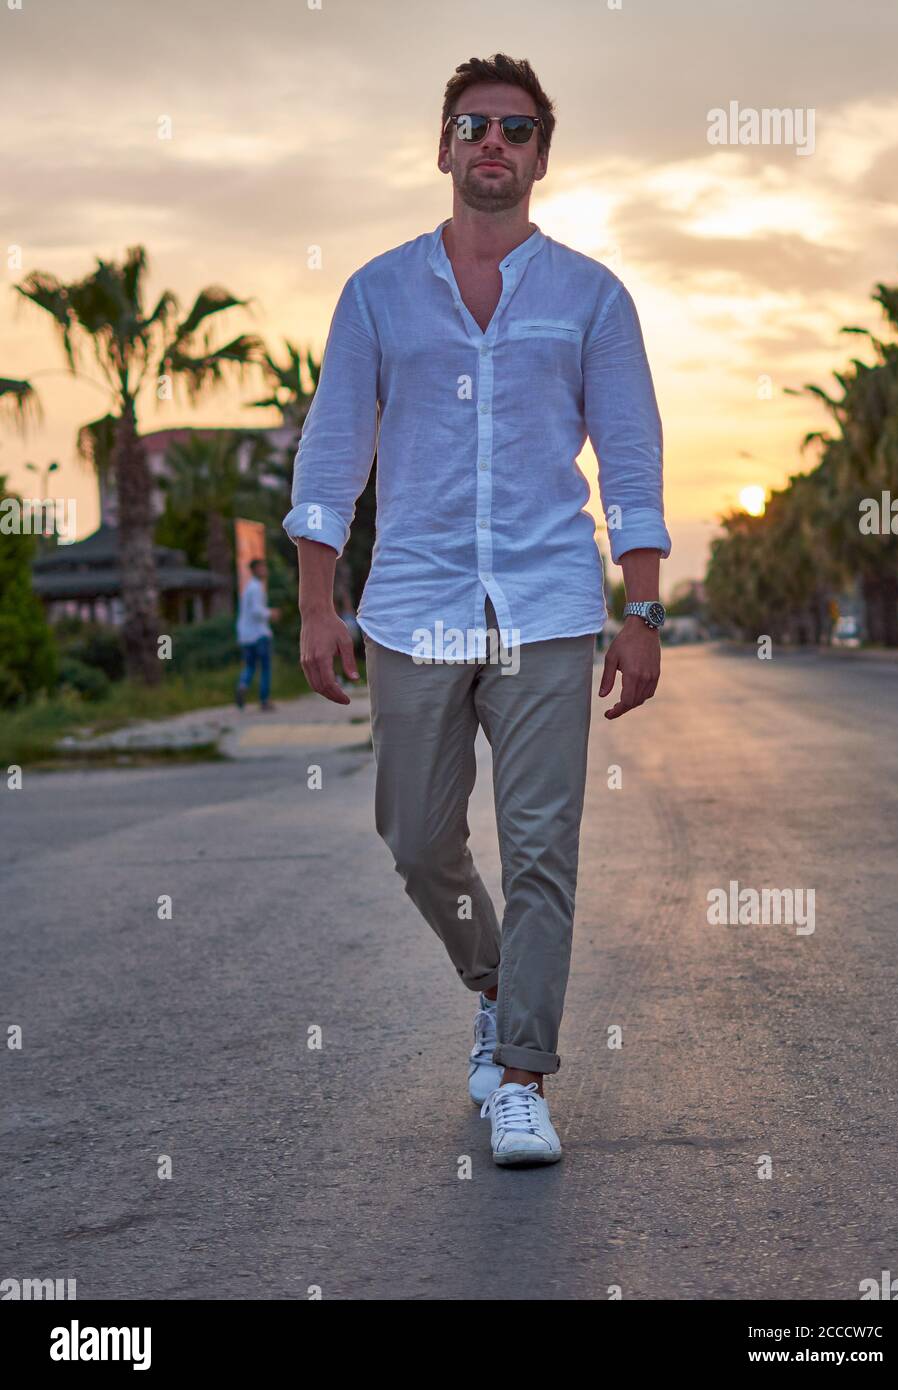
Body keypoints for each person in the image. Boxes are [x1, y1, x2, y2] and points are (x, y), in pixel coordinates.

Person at [282, 53, 671, 1167]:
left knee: (544, 845)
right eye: (472, 125)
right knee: (413, 837)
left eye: (514, 128)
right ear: (443, 147)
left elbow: (634, 461)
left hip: (549, 601)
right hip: (414, 605)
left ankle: (522, 1076)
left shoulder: (593, 297)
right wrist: (321, 602)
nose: (491, 143)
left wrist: (642, 613)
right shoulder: (377, 293)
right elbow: (331, 456)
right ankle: (497, 984)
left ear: (542, 155)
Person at [235, 558, 280, 712]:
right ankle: (264, 700)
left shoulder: (248, 588)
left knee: (250, 665)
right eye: (262, 567)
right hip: (259, 634)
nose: (265, 570)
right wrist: (270, 613)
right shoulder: (255, 588)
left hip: (246, 635)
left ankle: (242, 685)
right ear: (255, 570)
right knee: (265, 668)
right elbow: (256, 611)